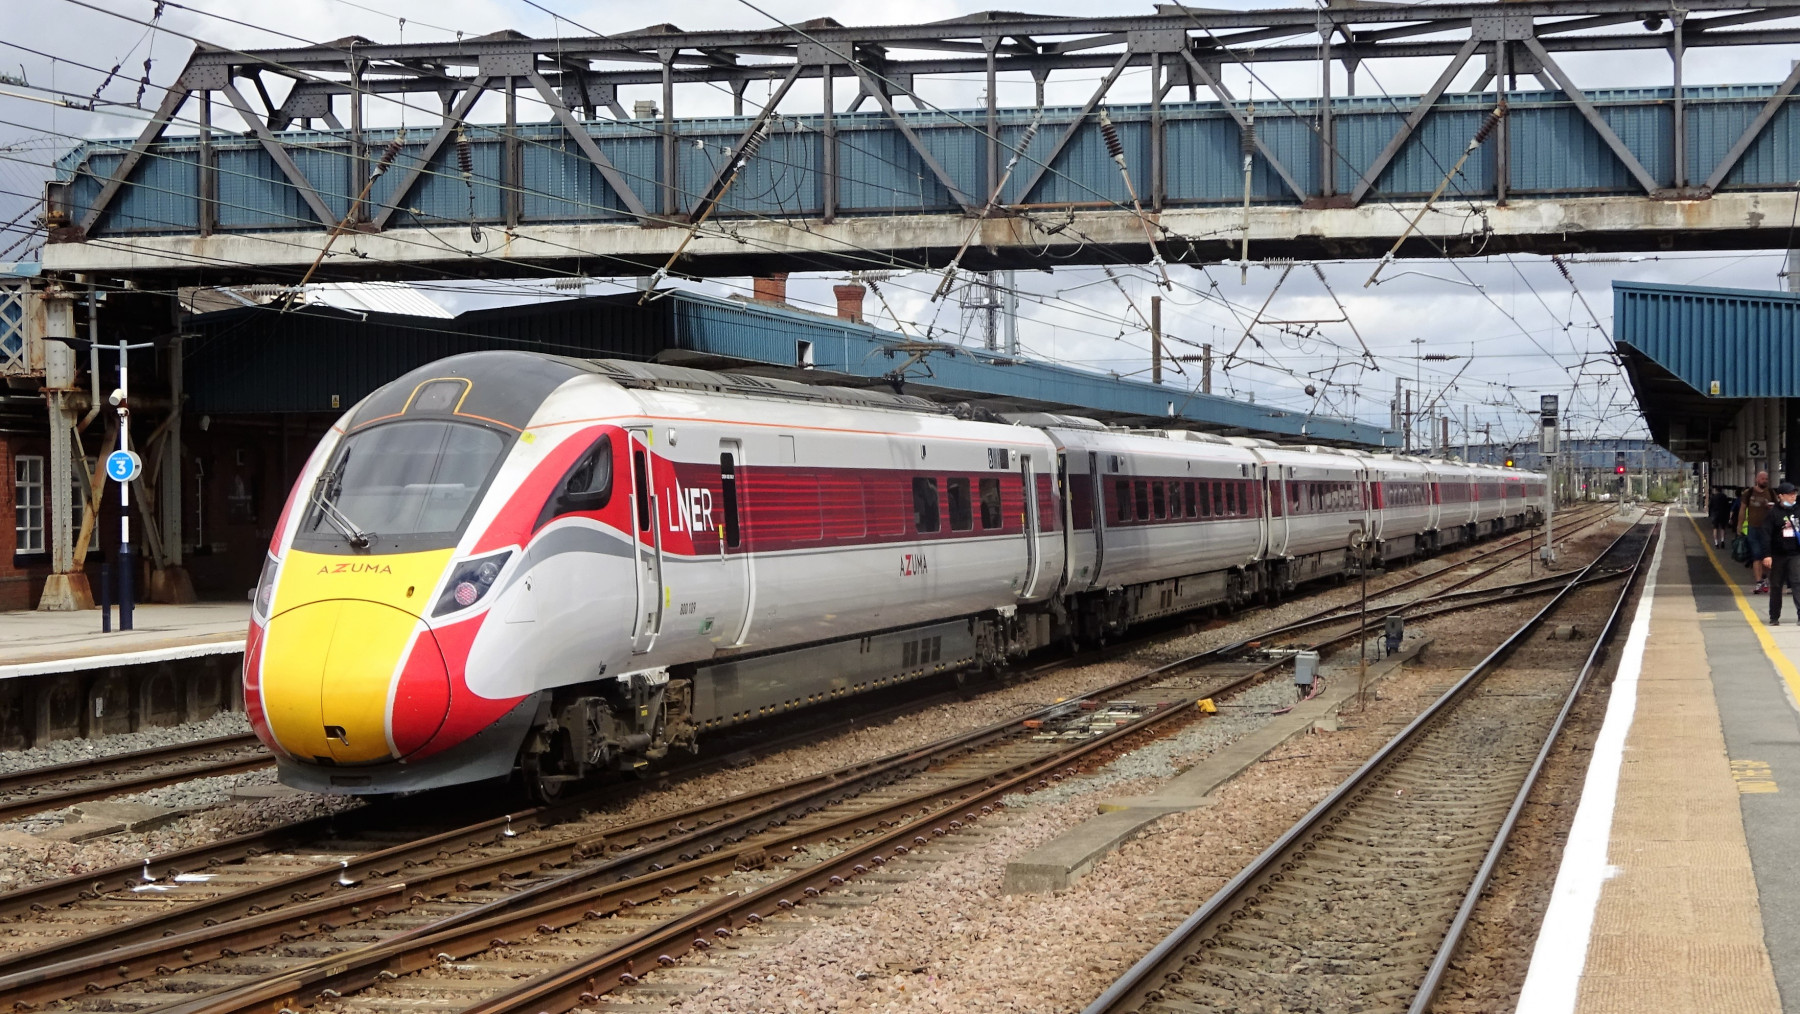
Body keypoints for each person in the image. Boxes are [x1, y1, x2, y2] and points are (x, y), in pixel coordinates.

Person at [1763, 482, 1800, 624]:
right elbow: (1766, 535)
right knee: (1777, 585)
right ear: (1781, 496)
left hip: (1795, 553)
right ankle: (1774, 616)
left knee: (1797, 583)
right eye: (1790, 495)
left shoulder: (1797, 510)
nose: (1793, 497)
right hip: (1778, 555)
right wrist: (1767, 554)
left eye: (1794, 494)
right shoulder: (1773, 513)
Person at [1739, 471, 1774, 592]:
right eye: (1763, 478)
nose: (1765, 480)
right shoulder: (1748, 493)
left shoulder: (1771, 493)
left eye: (1766, 479)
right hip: (1753, 528)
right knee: (1756, 555)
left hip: (1767, 529)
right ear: (1756, 479)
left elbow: (1778, 509)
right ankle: (1759, 581)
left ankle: (1765, 579)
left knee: (1767, 556)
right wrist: (1739, 525)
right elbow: (1742, 509)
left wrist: (1771, 507)